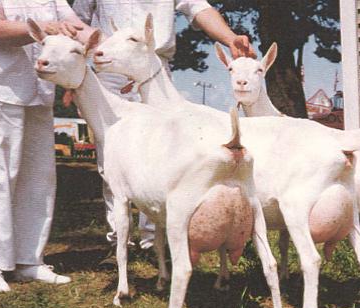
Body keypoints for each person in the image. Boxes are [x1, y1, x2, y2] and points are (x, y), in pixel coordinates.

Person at [72, 0, 256, 250]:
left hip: (153, 68)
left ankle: (153, 240)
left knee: (164, 155)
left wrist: (231, 37)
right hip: (109, 66)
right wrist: (77, 71)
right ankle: (119, 239)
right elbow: (76, 21)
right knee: (112, 158)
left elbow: (197, 7)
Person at [0, 0, 92, 291]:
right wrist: (45, 28)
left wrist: (116, 45)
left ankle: (29, 261)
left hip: (40, 90)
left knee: (39, 179)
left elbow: (79, 28)